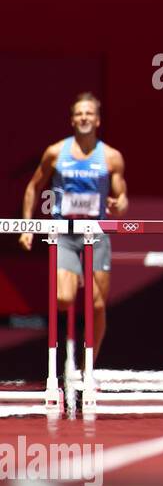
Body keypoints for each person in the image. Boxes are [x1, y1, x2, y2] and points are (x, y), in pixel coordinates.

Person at [19, 93, 128, 353]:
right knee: (63, 298)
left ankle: (87, 366)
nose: (84, 117)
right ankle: (76, 272)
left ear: (98, 120)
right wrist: (26, 226)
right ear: (72, 120)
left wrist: (119, 204)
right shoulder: (56, 152)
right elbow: (33, 188)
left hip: (96, 233)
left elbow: (122, 198)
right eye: (79, 113)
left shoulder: (111, 157)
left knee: (98, 305)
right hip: (65, 232)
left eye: (89, 113)